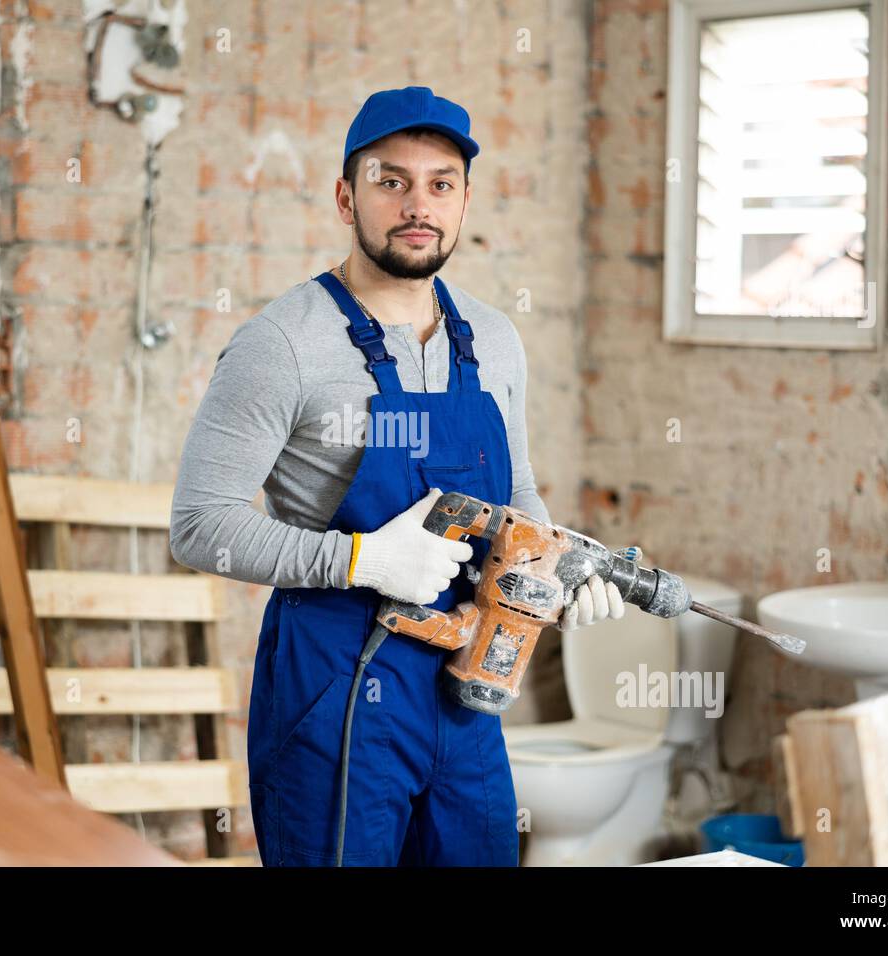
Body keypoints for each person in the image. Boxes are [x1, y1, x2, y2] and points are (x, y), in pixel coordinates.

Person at [170, 86, 623, 866]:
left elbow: (516, 498)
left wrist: (554, 575)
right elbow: (200, 526)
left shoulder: (494, 338)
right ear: (347, 198)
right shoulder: (282, 344)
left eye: (440, 183)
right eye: (392, 181)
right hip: (334, 688)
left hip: (465, 682)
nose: (418, 204)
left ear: (466, 200)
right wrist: (362, 560)